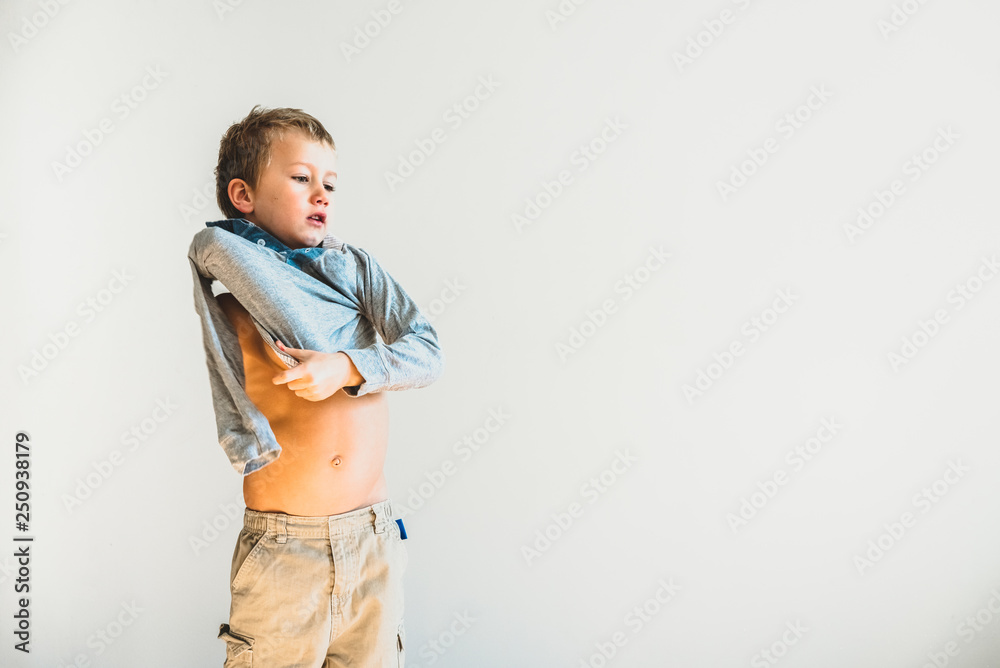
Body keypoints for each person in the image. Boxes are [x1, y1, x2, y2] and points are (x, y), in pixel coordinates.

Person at [187, 105, 445, 667]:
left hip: (374, 537)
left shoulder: (354, 272)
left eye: (330, 183)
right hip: (286, 548)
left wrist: (345, 367)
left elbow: (426, 353)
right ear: (243, 195)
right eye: (301, 178)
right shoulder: (233, 305)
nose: (321, 194)